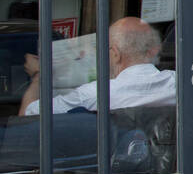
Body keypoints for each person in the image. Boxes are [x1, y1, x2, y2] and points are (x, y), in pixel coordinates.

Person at [20, 17, 176, 116]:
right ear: (153, 50)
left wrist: (38, 75)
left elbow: (28, 116)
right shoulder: (179, 84)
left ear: (115, 53)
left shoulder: (94, 94)